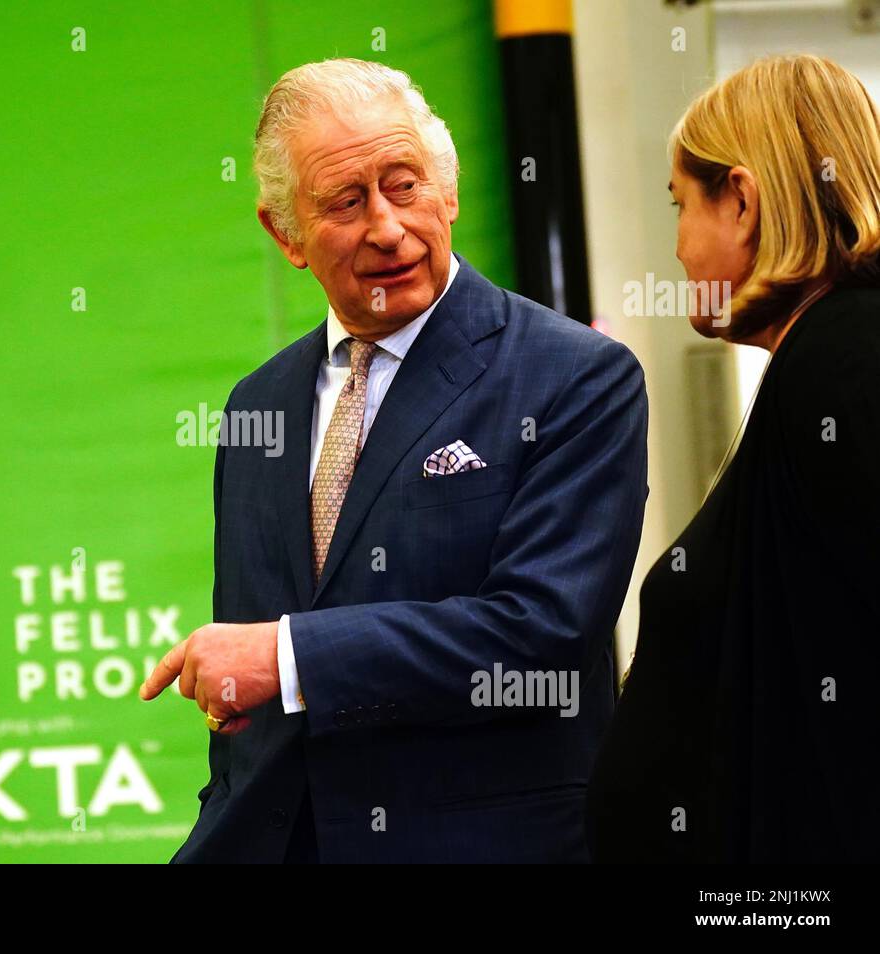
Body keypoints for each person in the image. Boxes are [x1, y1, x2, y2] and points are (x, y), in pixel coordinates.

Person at [139, 58, 648, 863]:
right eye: (345, 201)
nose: (386, 226)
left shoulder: (576, 375)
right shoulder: (255, 407)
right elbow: (251, 720)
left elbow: (541, 629)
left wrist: (285, 656)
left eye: (404, 185)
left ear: (448, 192)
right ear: (285, 235)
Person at [586, 53, 880, 863]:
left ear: (743, 202)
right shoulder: (819, 361)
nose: (677, 247)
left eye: (682, 206)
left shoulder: (845, 359)